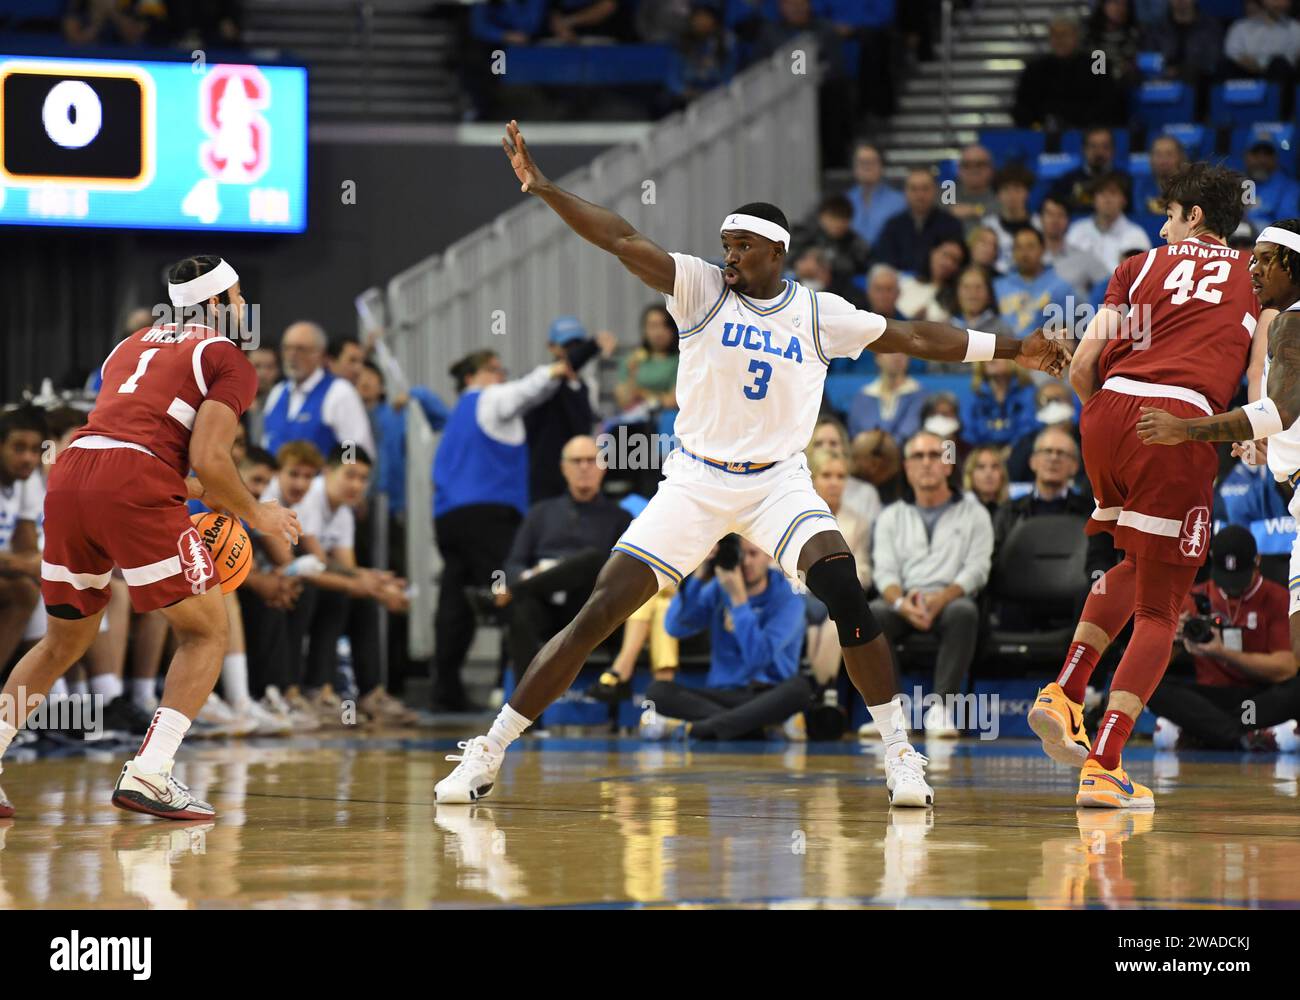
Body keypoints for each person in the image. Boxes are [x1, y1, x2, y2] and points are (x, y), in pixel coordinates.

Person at [434, 119, 1067, 808]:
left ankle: (901, 756)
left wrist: (1014, 349)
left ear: (776, 251)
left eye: (741, 246)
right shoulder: (700, 289)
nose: (728, 255)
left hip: (777, 483)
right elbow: (620, 238)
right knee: (600, 612)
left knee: (844, 588)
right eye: (725, 245)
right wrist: (546, 187)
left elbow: (915, 335)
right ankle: (489, 749)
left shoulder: (820, 314)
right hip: (696, 480)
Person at [0, 256, 301, 821]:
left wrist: (208, 493)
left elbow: (136, 441)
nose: (244, 308)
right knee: (207, 631)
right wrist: (255, 512)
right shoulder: (227, 357)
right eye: (238, 297)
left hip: (71, 476)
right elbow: (211, 459)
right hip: (131, 484)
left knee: (63, 641)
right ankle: (150, 772)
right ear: (215, 305)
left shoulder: (131, 344)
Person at [1031, 163, 1261, 811]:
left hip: (1107, 412)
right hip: (1179, 421)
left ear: (1192, 215)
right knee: (1163, 608)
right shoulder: (1253, 272)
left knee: (1135, 563)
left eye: (1168, 212)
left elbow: (1081, 366)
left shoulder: (1135, 264)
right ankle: (1105, 764)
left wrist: (1102, 413)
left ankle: (1065, 690)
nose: (1161, 223)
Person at [431, 348, 575, 711]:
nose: (501, 376)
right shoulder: (491, 398)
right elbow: (528, 389)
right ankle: (521, 695)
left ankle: (445, 694)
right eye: (493, 370)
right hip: (489, 515)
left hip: (448, 520)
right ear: (471, 378)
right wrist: (557, 367)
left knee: (455, 604)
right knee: (514, 593)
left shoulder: (455, 417)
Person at [869, 430, 994, 737]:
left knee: (964, 611)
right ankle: (893, 713)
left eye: (934, 456)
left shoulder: (974, 512)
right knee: (873, 613)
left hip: (950, 600)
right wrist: (901, 603)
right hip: (905, 601)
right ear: (907, 467)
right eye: (917, 456)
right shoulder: (891, 516)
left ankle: (941, 709)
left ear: (949, 465)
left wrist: (942, 598)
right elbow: (884, 572)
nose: (926, 463)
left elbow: (978, 569)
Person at [642, 536, 811, 740]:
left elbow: (758, 658)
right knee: (658, 691)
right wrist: (699, 573)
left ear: (769, 556)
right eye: (740, 554)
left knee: (800, 690)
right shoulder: (719, 588)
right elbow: (675, 627)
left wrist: (739, 602)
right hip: (723, 694)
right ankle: (756, 728)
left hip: (767, 695)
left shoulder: (788, 598)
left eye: (753, 554)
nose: (746, 562)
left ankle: (698, 728)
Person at [1148, 526, 1299, 751]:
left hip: (1257, 696)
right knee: (1152, 687)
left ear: (1257, 561)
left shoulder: (1277, 597)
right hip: (1212, 696)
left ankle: (1203, 733)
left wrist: (1222, 652)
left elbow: (1287, 667)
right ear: (1211, 560)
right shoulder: (1195, 597)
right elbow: (1152, 669)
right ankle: (1246, 738)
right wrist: (1174, 640)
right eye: (1226, 579)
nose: (1231, 586)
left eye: (1238, 579)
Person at [499, 435, 632, 687]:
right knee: (520, 611)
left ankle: (511, 592)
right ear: (563, 468)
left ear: (603, 467)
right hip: (545, 605)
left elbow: (621, 574)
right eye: (576, 461)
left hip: (589, 605)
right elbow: (513, 564)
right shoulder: (540, 513)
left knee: (592, 560)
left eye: (591, 460)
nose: (584, 467)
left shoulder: (619, 517)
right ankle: (523, 714)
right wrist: (532, 575)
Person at [262, 321, 375, 459]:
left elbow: (353, 444)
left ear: (319, 354)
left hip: (321, 479)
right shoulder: (277, 392)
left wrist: (345, 472)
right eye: (287, 348)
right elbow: (267, 444)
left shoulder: (339, 392)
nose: (292, 355)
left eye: (300, 349)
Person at [1013, 17, 1126, 128]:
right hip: (1044, 137)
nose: (1060, 40)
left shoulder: (1098, 65)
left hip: (1089, 135)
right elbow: (1022, 108)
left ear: (1077, 36)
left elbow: (1109, 104)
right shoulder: (1034, 70)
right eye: (1055, 35)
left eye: (1065, 34)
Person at [992, 426, 1092, 551]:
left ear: (1075, 466)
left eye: (1061, 453)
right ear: (1032, 462)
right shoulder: (1009, 513)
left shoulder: (1090, 515)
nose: (1053, 458)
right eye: (1047, 451)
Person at [0, 408, 45, 675]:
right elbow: (25, 561)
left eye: (35, 450)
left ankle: (72, 694)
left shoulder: (24, 481)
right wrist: (29, 566)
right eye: (19, 448)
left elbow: (28, 547)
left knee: (38, 587)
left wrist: (39, 565)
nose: (28, 458)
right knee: (25, 589)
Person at [874, 169, 965, 277]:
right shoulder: (893, 225)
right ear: (905, 192)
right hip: (900, 286)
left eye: (925, 189)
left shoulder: (950, 224)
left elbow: (955, 261)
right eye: (914, 189)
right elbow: (885, 262)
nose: (920, 195)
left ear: (935, 190)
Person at [994, 228, 1079, 339]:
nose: (1024, 253)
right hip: (1001, 350)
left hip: (1042, 351)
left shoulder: (1060, 287)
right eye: (1019, 247)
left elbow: (1064, 334)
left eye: (1030, 247)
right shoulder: (997, 286)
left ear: (1043, 249)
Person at [1065, 174, 1152, 272]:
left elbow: (1141, 276)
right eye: (1102, 193)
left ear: (1124, 200)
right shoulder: (1077, 231)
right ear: (1094, 199)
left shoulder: (1136, 235)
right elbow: (1067, 271)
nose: (1107, 199)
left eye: (1113, 193)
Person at [790, 194, 872, 290]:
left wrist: (825, 267)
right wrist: (801, 264)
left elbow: (864, 268)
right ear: (822, 216)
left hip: (842, 289)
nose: (838, 224)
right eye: (833, 217)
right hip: (800, 285)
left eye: (843, 219)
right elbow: (787, 258)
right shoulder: (804, 235)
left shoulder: (856, 243)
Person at [1051, 128, 1134, 216]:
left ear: (1113, 150)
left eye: (1105, 147)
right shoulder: (1067, 180)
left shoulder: (1124, 179)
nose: (1099, 152)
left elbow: (1130, 213)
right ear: (1084, 149)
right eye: (1093, 146)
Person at [847, 352, 926, 442]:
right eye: (891, 351)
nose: (897, 356)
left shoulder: (920, 395)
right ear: (877, 356)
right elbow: (855, 434)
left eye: (903, 352)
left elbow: (909, 431)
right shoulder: (862, 397)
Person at [1041, 195, 1110, 298]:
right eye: (1050, 214)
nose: (1055, 220)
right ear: (1041, 219)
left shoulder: (1084, 258)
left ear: (1068, 220)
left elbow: (1110, 286)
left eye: (1060, 215)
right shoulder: (1029, 257)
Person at [1143, 0, 1222, 87]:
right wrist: (1164, 71)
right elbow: (1148, 56)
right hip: (1161, 78)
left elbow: (1212, 60)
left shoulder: (1210, 27)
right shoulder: (1156, 28)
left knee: (1193, 73)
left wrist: (1179, 71)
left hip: (1199, 81)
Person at [962, 360, 1038, 448]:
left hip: (1019, 453)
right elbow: (969, 431)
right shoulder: (974, 394)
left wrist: (1012, 449)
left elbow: (1029, 428)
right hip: (981, 452)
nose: (991, 359)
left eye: (997, 354)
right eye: (987, 354)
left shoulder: (1027, 392)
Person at [1223, 0, 1300, 86]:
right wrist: (1254, 66)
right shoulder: (1240, 27)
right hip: (1246, 75)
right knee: (1225, 66)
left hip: (1282, 79)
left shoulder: (1296, 29)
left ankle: (1275, 97)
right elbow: (1233, 54)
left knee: (1279, 64)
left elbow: (1291, 61)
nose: (1278, 3)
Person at [845, 142, 907, 248]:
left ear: (882, 166)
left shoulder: (900, 202)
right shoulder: (844, 201)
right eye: (862, 163)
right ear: (854, 168)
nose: (867, 167)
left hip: (887, 260)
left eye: (872, 162)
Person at [983, 164, 1041, 275]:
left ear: (1027, 193)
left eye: (1017, 188)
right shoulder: (987, 225)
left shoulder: (1040, 224)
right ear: (998, 195)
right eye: (1005, 189)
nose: (1012, 195)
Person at [898, 239, 965, 323]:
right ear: (933, 252)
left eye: (955, 260)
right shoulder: (907, 281)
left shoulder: (956, 299)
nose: (948, 263)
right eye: (945, 255)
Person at [1243, 142, 1300, 233]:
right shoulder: (1237, 183)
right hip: (1236, 242)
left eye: (1267, 154)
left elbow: (1287, 227)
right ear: (1246, 156)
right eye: (1256, 154)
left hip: (1271, 243)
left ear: (1275, 158)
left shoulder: (1289, 187)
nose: (1261, 160)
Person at [948, 145, 998, 234]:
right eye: (967, 165)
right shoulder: (948, 192)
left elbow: (1003, 209)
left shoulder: (1000, 192)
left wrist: (974, 210)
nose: (974, 169)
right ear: (958, 169)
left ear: (991, 169)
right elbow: (941, 212)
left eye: (980, 164)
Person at [963, 445, 1010, 517]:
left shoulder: (1013, 512)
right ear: (970, 474)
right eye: (981, 467)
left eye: (995, 466)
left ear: (1002, 474)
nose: (989, 473)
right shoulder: (960, 512)